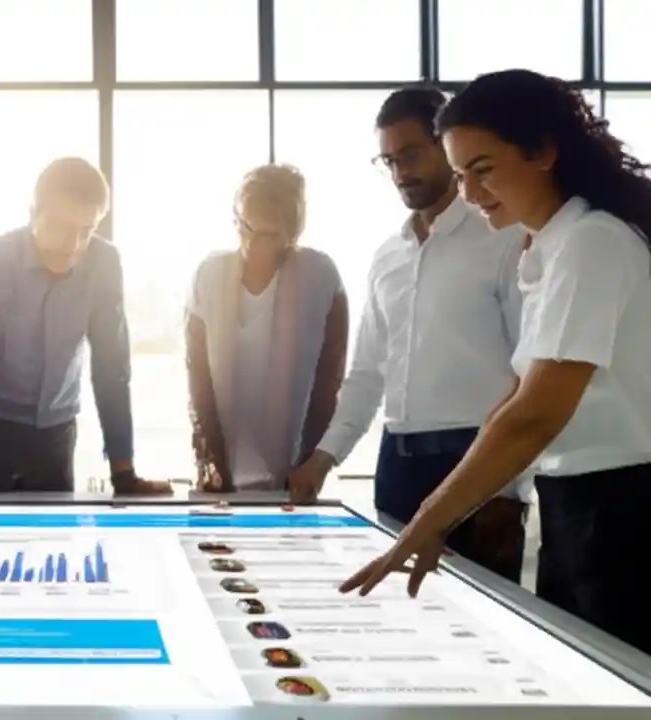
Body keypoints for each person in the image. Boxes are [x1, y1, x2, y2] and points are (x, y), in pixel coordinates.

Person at [342, 70, 651, 656]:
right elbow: (510, 401)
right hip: (571, 502)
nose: (469, 191)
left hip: (622, 509)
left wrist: (428, 522)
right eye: (460, 175)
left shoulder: (593, 242)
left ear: (542, 151)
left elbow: (534, 415)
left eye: (482, 169)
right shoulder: (547, 247)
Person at [288, 86, 531, 583]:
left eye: (412, 154)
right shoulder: (387, 257)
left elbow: (531, 372)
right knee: (401, 620)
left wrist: (510, 491)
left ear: (447, 145)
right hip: (395, 468)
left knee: (487, 631)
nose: (400, 171)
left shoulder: (504, 239)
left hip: (476, 465)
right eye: (390, 160)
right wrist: (323, 458)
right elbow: (366, 374)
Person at [0, 157, 172, 508]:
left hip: (57, 434)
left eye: (86, 231)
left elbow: (111, 370)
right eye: (61, 226)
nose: (73, 244)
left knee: (53, 543)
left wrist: (124, 471)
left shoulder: (105, 263)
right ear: (33, 211)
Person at [187, 164, 348, 494]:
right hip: (222, 468)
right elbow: (197, 379)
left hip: (293, 470)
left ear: (292, 232)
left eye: (268, 234)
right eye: (245, 227)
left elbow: (328, 383)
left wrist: (311, 462)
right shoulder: (209, 273)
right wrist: (207, 459)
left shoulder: (320, 275)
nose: (251, 242)